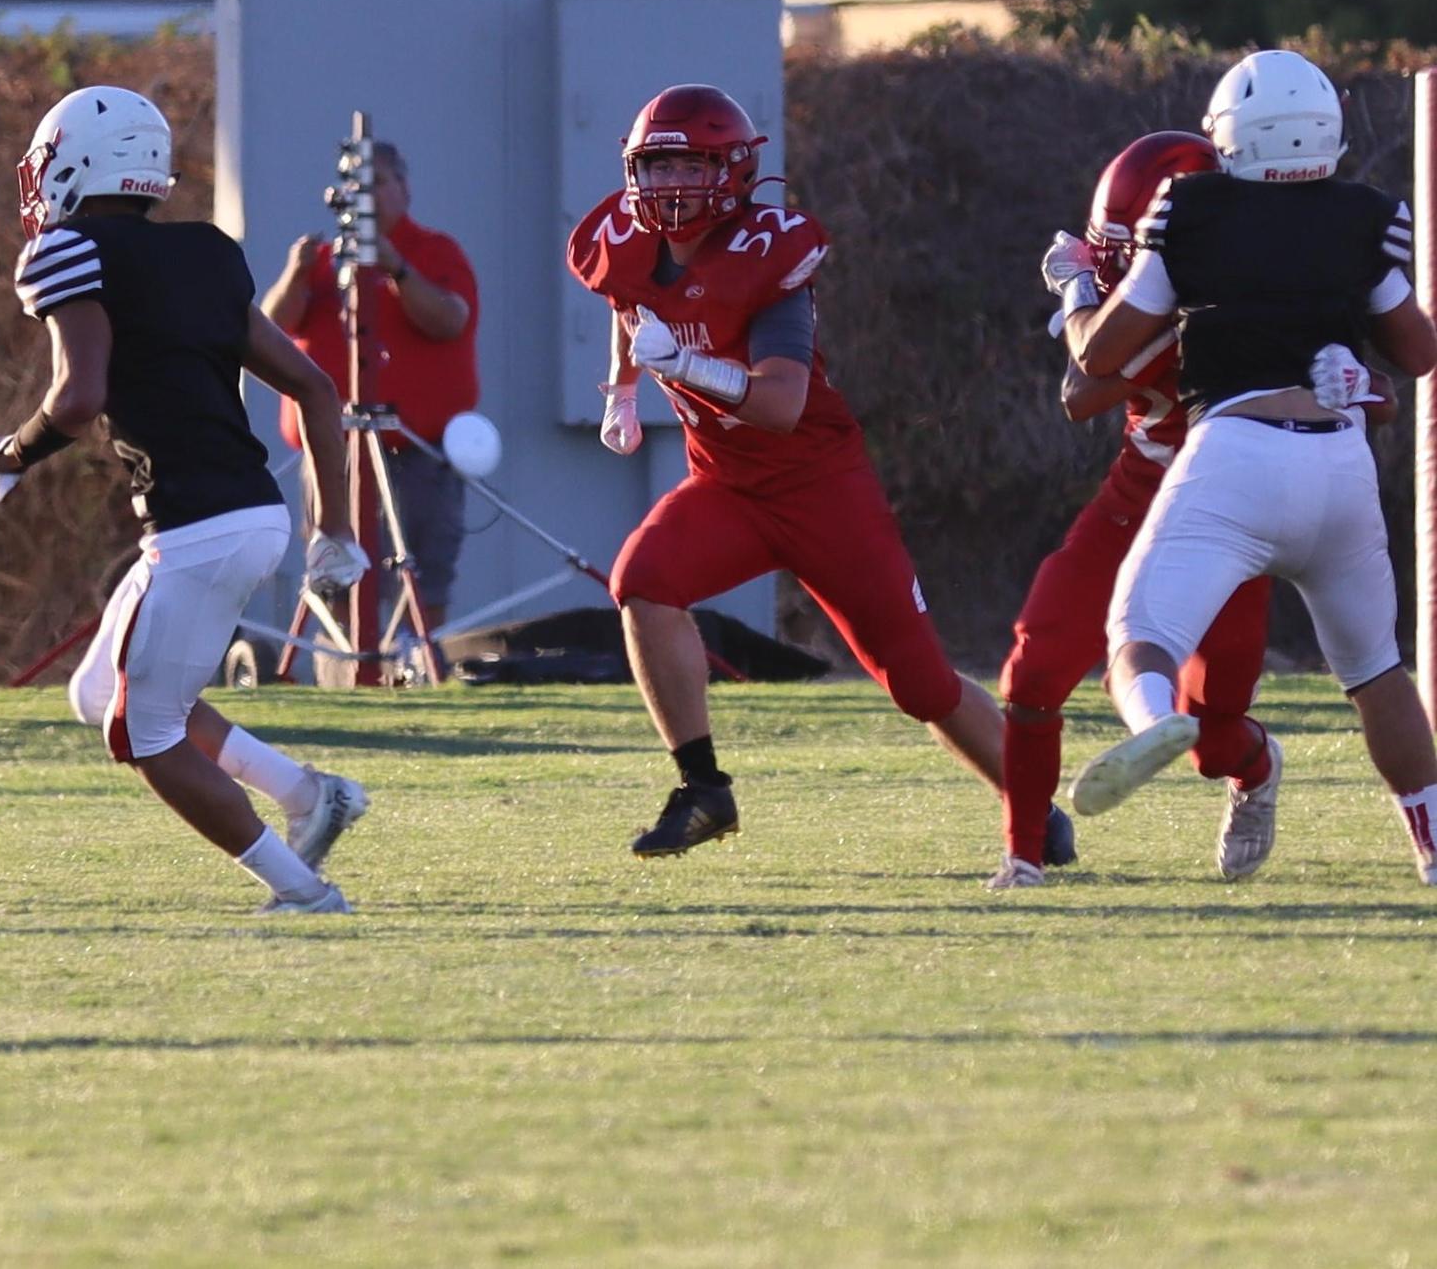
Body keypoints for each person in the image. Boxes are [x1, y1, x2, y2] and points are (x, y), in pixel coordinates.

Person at [569, 85, 1071, 861]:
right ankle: (703, 789)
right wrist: (624, 389)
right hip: (727, 486)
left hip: (819, 489)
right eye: (658, 166)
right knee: (643, 579)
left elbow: (778, 404)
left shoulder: (770, 259)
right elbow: (628, 302)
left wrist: (689, 367)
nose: (671, 185)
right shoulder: (623, 240)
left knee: (919, 684)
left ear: (732, 172)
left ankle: (1033, 806)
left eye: (690, 167)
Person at [0, 85, 373, 914]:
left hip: (199, 529)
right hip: (249, 513)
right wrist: (335, 531)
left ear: (72, 163)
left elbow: (78, 397)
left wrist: (8, 455)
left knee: (144, 735)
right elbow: (318, 389)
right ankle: (306, 796)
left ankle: (302, 892)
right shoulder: (207, 252)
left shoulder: (69, 251)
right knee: (101, 693)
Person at [1059, 50, 1437, 886]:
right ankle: (1433, 845)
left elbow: (1100, 355)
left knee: (1140, 633)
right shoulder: (1365, 214)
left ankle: (1157, 723)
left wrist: (1074, 291)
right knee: (1376, 672)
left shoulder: (1190, 210)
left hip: (1235, 456)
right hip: (1339, 466)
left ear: (1227, 136)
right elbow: (1418, 353)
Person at [995, 132, 1283, 890]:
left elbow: (1081, 393)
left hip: (1227, 507)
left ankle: (1256, 770)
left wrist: (1076, 294)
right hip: (1141, 487)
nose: (1124, 260)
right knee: (1033, 671)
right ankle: (1023, 859)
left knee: (1211, 741)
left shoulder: (1222, 302)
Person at [260, 139, 478, 632]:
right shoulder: (321, 260)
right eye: (355, 186)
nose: (366, 196)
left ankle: (420, 657)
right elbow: (270, 332)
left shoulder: (434, 251)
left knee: (423, 569)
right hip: (334, 451)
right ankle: (346, 660)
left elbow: (450, 319)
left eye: (377, 183)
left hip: (418, 448)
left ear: (404, 188)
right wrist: (297, 274)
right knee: (339, 568)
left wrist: (395, 266)